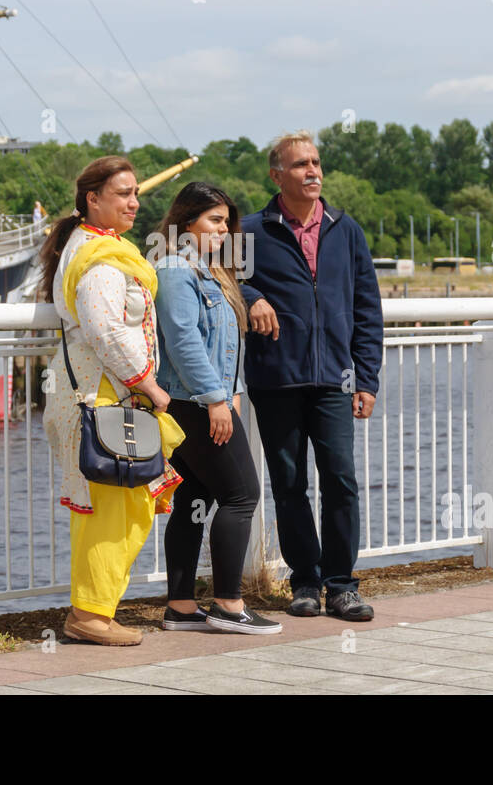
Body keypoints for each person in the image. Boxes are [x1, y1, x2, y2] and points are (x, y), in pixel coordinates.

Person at [39, 156, 184, 646]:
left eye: (136, 192)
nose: (134, 202)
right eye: (123, 193)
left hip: (101, 393)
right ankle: (89, 617)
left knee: (125, 500)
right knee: (112, 506)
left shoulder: (101, 248)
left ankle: (95, 610)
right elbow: (105, 331)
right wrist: (151, 386)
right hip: (102, 394)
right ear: (92, 199)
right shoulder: (99, 259)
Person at [240, 130, 383, 622]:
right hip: (276, 377)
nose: (313, 171)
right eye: (301, 164)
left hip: (335, 379)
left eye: (316, 162)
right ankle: (304, 581)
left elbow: (367, 309)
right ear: (276, 174)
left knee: (341, 479)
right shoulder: (251, 231)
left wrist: (367, 379)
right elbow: (215, 276)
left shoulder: (347, 230)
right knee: (289, 481)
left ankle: (342, 585)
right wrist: (251, 297)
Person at [153, 182, 280, 635]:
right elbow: (185, 343)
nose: (224, 230)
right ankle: (228, 603)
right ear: (187, 222)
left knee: (195, 496)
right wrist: (215, 400)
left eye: (227, 222)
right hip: (192, 403)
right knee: (242, 494)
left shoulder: (212, 273)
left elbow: (227, 348)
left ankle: (182, 608)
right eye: (214, 220)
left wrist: (234, 396)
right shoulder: (174, 270)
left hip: (208, 401)